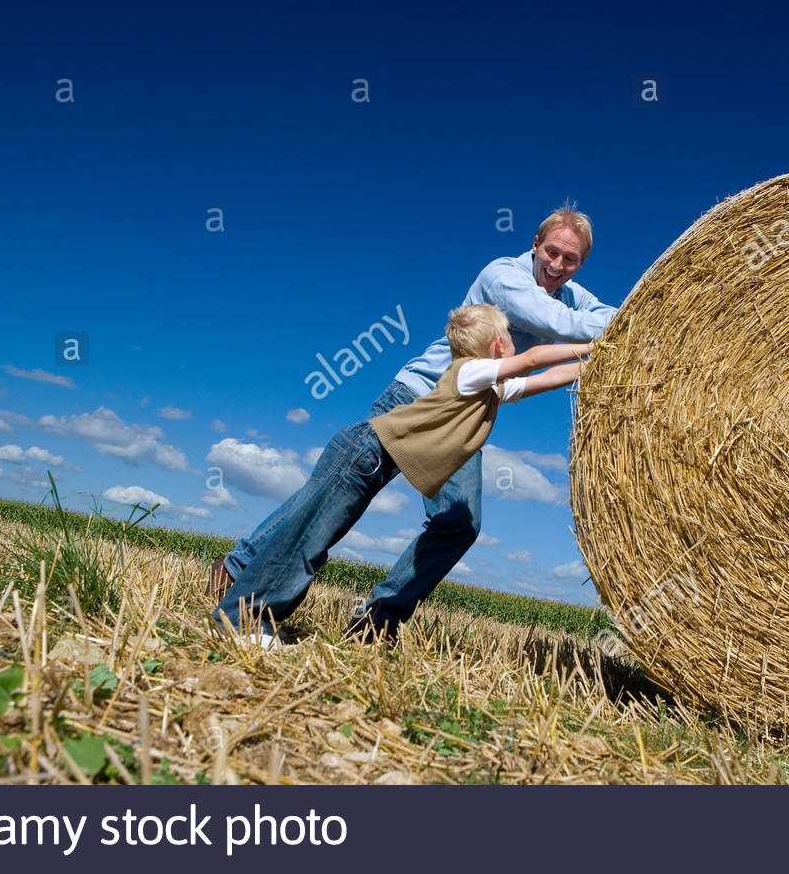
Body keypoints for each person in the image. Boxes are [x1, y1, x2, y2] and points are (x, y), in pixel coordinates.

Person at [209, 202, 617, 640]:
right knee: (343, 490)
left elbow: (602, 320)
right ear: (534, 245)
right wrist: (604, 334)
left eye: (570, 259)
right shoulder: (504, 276)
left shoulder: (575, 300)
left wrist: (631, 326)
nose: (557, 264)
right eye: (551, 251)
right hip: (421, 396)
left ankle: (377, 619)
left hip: (465, 419)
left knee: (459, 523)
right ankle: (241, 573)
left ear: (581, 264)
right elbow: (551, 324)